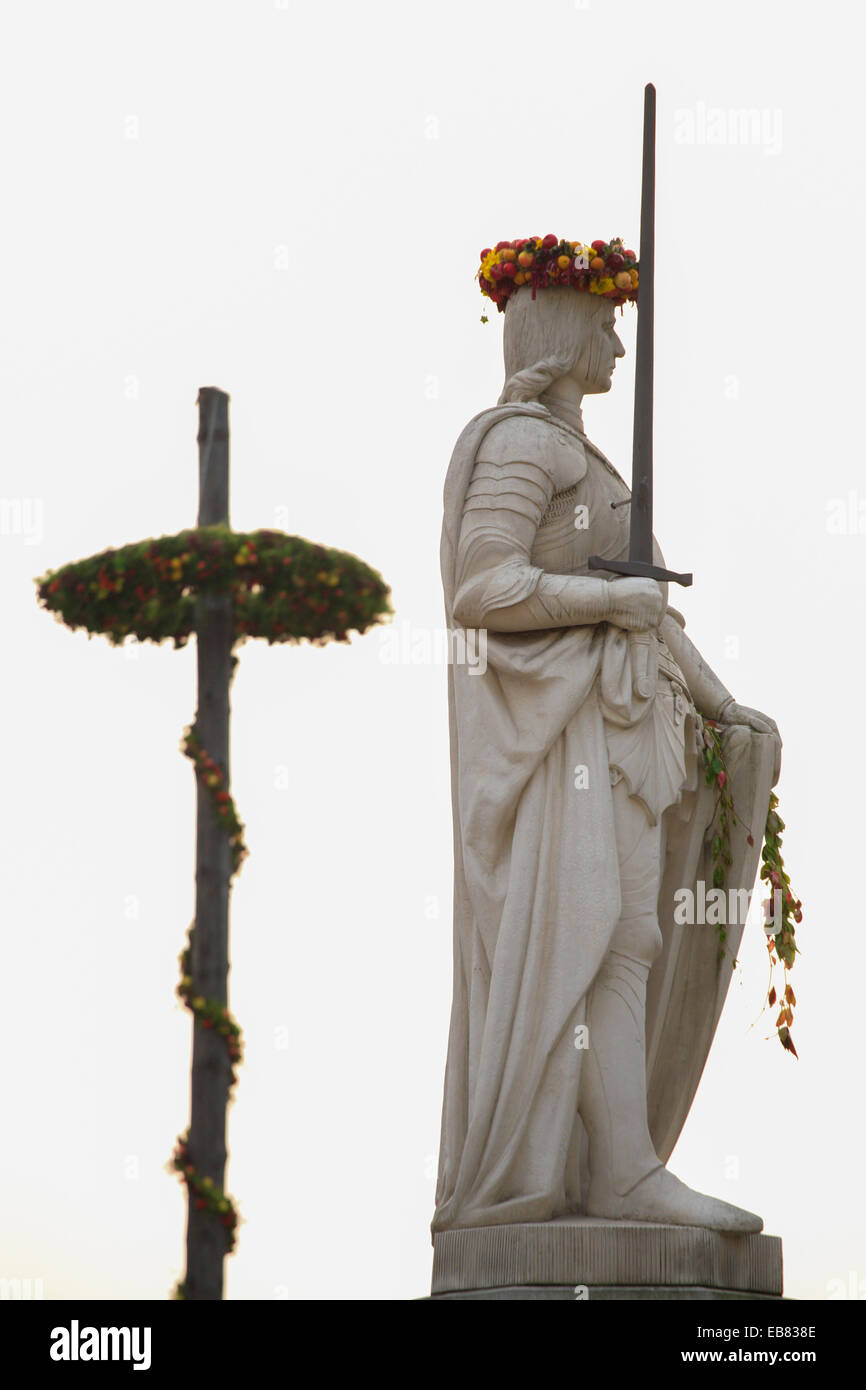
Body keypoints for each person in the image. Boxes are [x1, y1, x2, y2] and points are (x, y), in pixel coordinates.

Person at [432, 251, 780, 1236]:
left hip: (620, 731)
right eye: (603, 326)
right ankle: (592, 1167)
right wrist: (605, 601)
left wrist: (722, 706)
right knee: (581, 941)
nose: (618, 343)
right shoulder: (521, 447)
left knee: (626, 938)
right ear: (560, 333)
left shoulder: (587, 462)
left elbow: (654, 612)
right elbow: (481, 586)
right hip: (553, 743)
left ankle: (623, 1166)